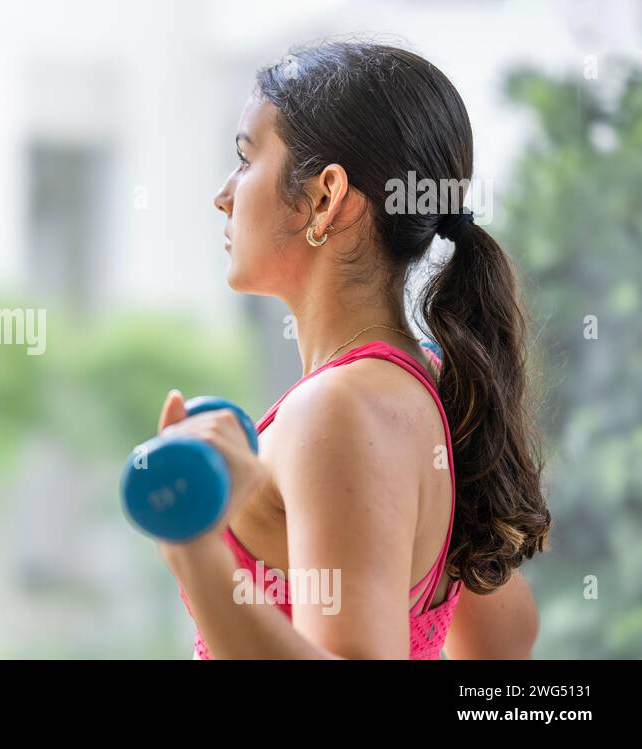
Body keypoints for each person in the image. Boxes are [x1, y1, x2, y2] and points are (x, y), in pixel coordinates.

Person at [158, 41, 550, 659]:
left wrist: (195, 545)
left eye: (244, 159)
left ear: (325, 196)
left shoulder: (338, 411)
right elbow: (503, 639)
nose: (224, 194)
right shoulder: (434, 387)